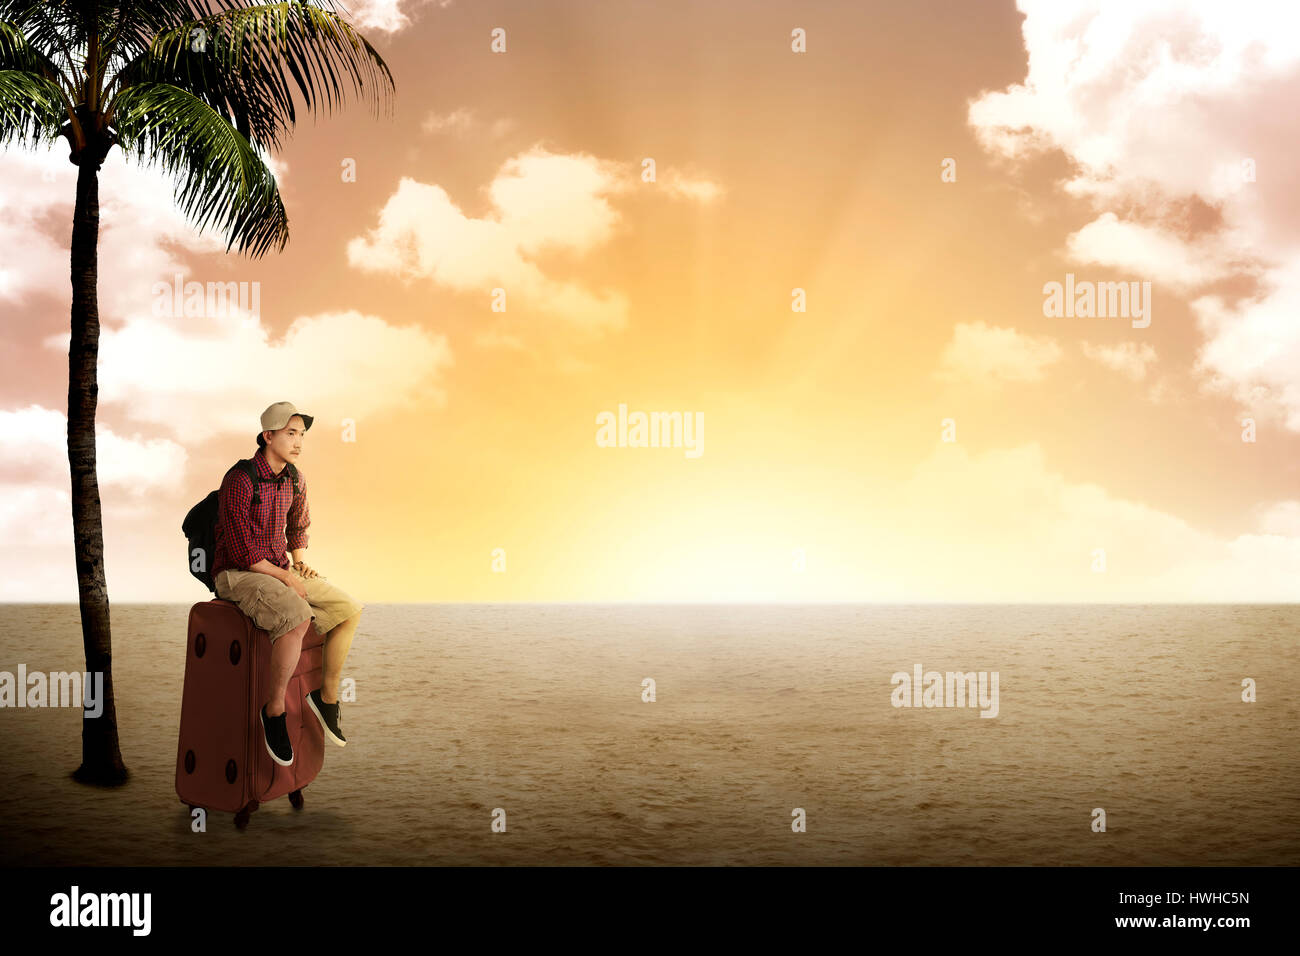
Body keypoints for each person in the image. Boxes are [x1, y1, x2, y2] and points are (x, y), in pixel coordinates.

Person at [210, 401, 364, 766]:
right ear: (268, 436)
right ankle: (274, 710)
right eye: (290, 434)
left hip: (279, 566)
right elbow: (241, 549)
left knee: (348, 608)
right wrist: (284, 578)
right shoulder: (240, 479)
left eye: (302, 435)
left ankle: (325, 699)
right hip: (236, 573)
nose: (298, 443)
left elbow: (297, 526)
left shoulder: (295, 477)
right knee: (296, 614)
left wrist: (299, 564)